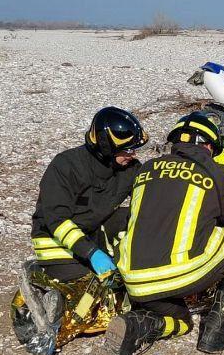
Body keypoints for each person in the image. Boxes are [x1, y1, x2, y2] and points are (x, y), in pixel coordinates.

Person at [98, 112, 224, 355]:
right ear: (208, 145)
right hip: (180, 272)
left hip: (135, 280)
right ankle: (219, 328)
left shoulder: (147, 169)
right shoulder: (213, 171)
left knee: (180, 321)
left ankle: (135, 325)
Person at [30, 106, 146, 282]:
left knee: (133, 215)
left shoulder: (129, 168)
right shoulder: (66, 166)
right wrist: (91, 253)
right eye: (128, 150)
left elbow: (147, 197)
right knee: (90, 289)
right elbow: (56, 220)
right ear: (108, 147)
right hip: (58, 246)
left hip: (94, 236)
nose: (134, 154)